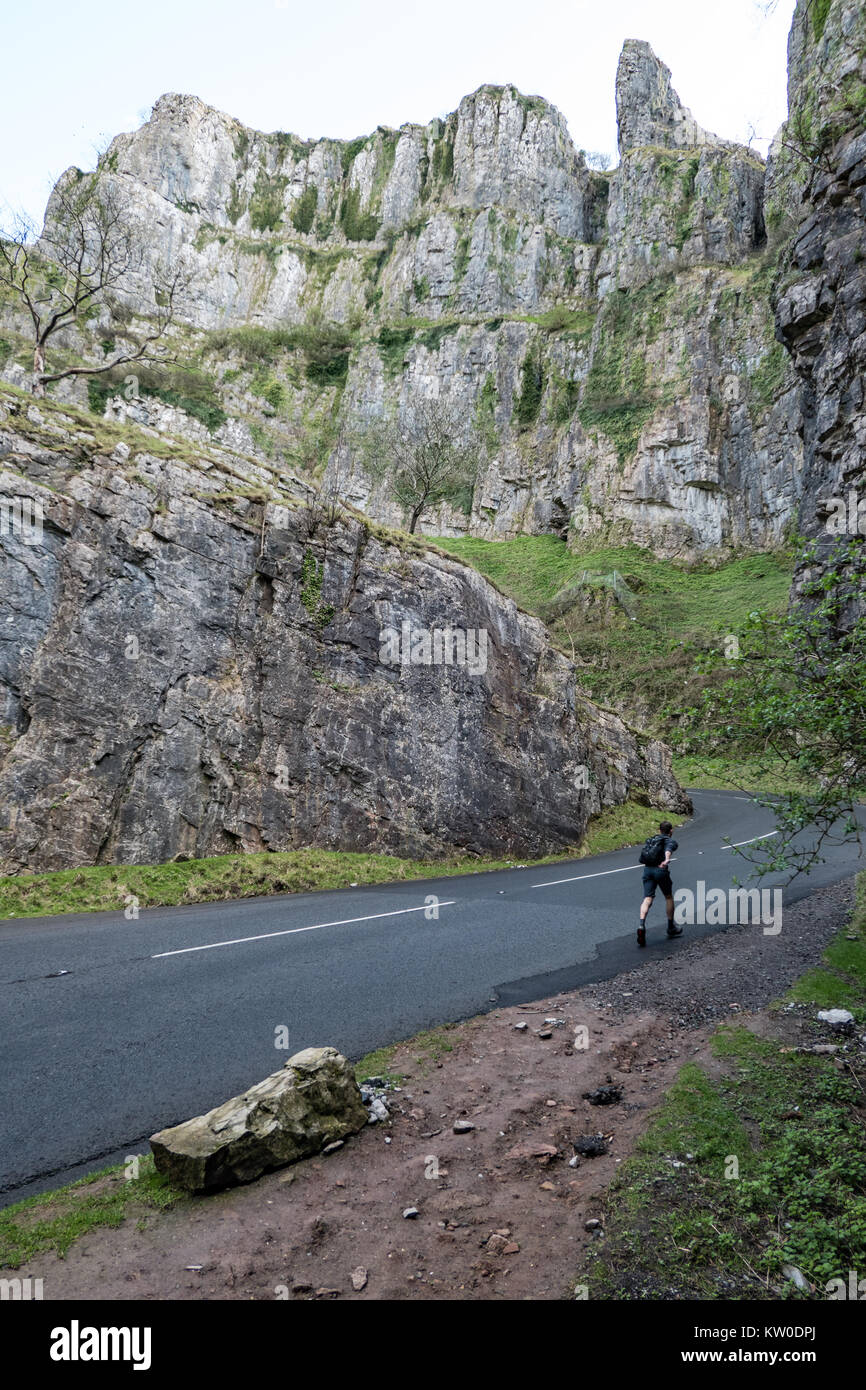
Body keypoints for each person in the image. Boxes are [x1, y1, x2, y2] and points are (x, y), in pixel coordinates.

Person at [637, 820, 682, 947]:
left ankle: (641, 925)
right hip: (660, 870)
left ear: (659, 830)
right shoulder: (669, 840)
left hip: (647, 870)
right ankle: (670, 927)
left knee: (647, 898)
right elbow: (668, 850)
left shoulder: (653, 839)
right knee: (668, 897)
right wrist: (667, 859)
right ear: (671, 831)